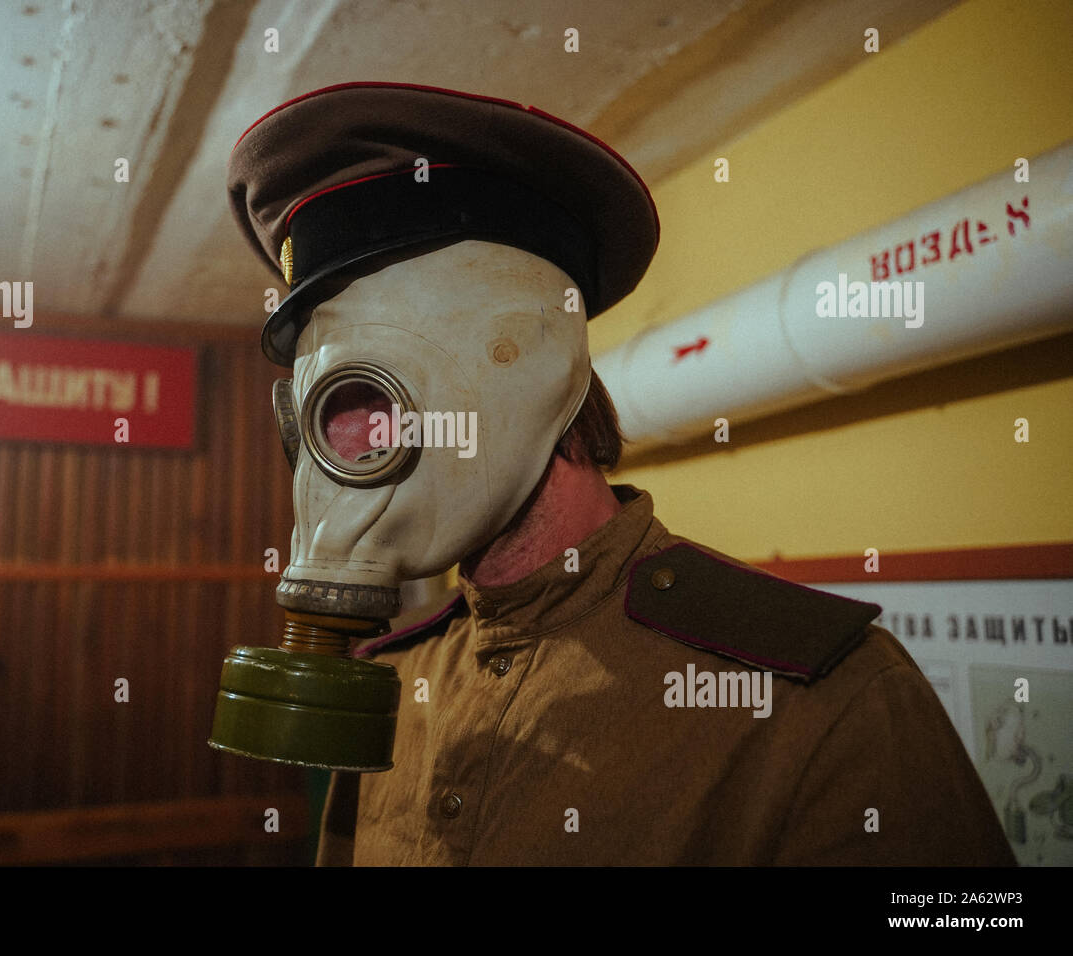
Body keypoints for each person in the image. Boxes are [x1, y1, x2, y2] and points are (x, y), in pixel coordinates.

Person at [226, 82, 1016, 866]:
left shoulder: (824, 703)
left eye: (370, 389)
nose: (346, 448)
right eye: (323, 402)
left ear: (526, 365)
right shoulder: (397, 679)